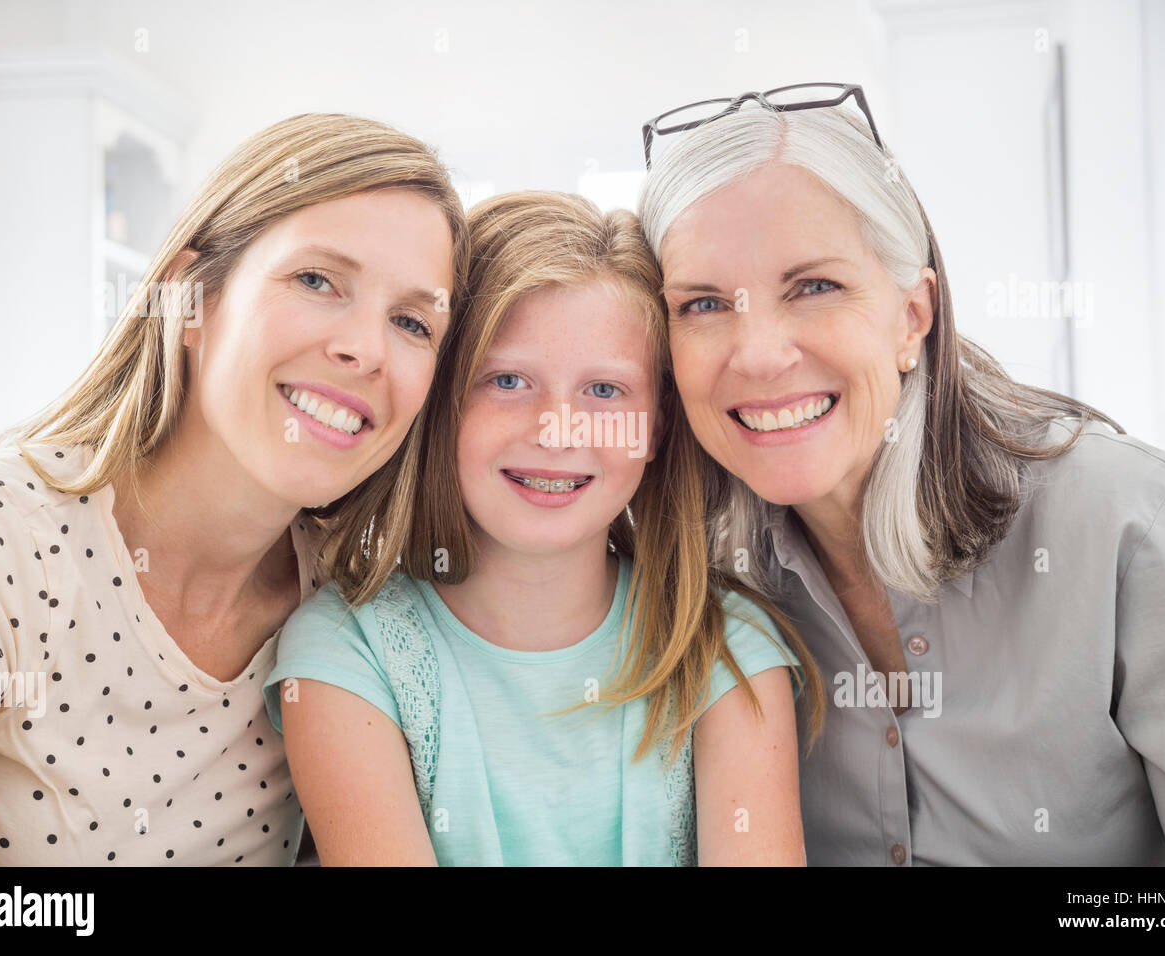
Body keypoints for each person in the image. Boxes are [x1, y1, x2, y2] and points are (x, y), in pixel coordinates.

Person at [636, 83, 1165, 865]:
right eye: (704, 304)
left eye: (813, 287)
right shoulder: (701, 587)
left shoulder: (1127, 520)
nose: (758, 354)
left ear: (912, 315)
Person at [0, 112, 467, 865]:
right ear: (188, 297)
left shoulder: (351, 619)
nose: (364, 349)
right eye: (317, 280)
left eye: (413, 323)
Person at [263, 191, 824, 865]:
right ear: (441, 398)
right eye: (507, 381)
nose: (558, 429)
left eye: (605, 391)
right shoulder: (346, 651)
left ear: (658, 424)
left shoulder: (726, 648)